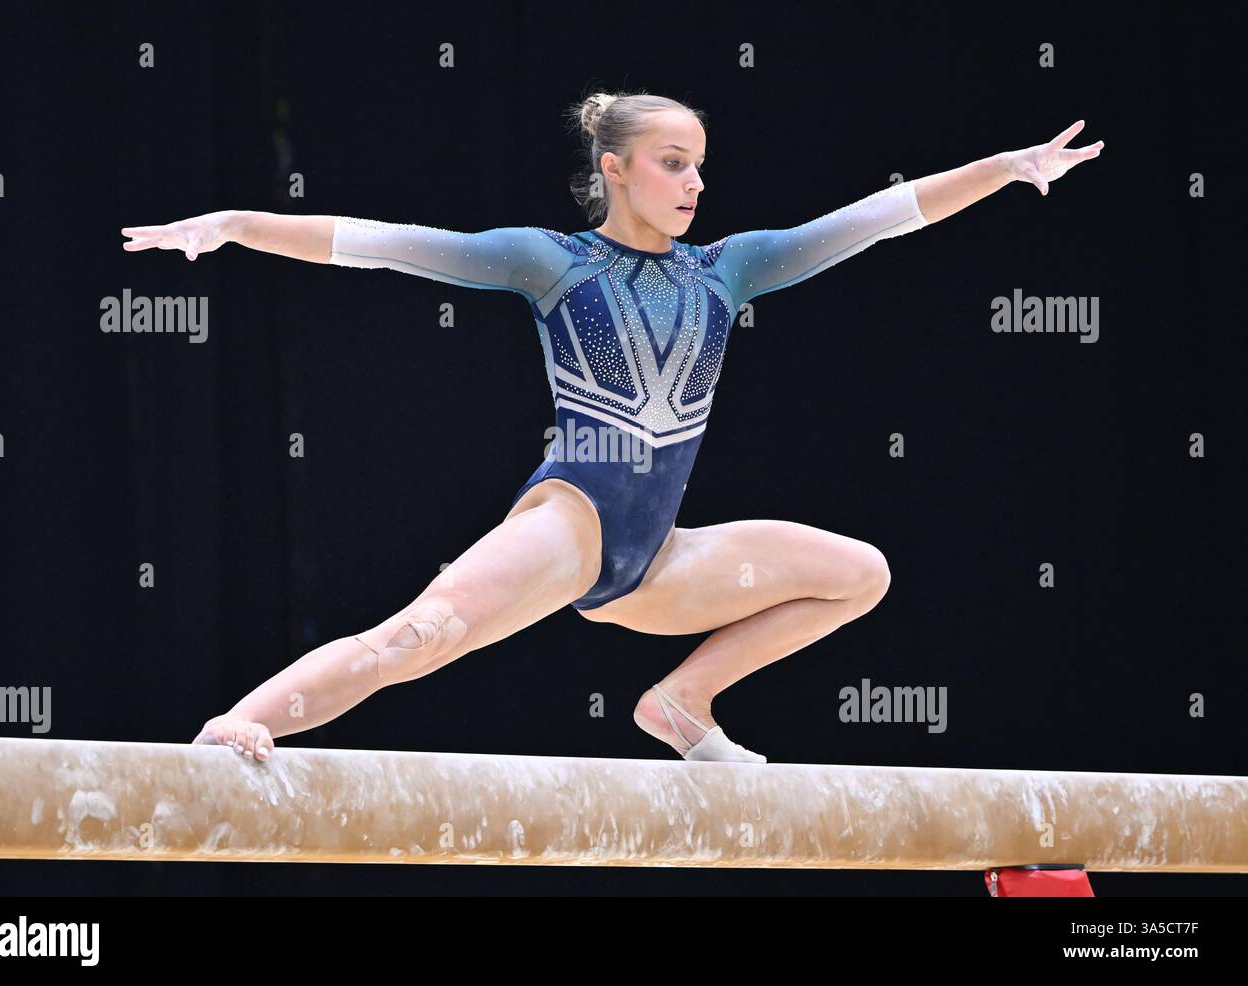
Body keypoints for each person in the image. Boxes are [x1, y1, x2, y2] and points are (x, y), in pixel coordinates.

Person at [122, 91, 1102, 765]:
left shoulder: (732, 266)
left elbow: (877, 219)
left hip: (656, 559)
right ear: (615, 167)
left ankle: (678, 703)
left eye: (701, 167)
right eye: (673, 164)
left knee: (859, 572)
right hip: (575, 523)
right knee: (413, 637)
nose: (693, 184)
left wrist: (1004, 168)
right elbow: (383, 250)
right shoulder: (550, 261)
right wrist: (241, 222)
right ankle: (239, 725)